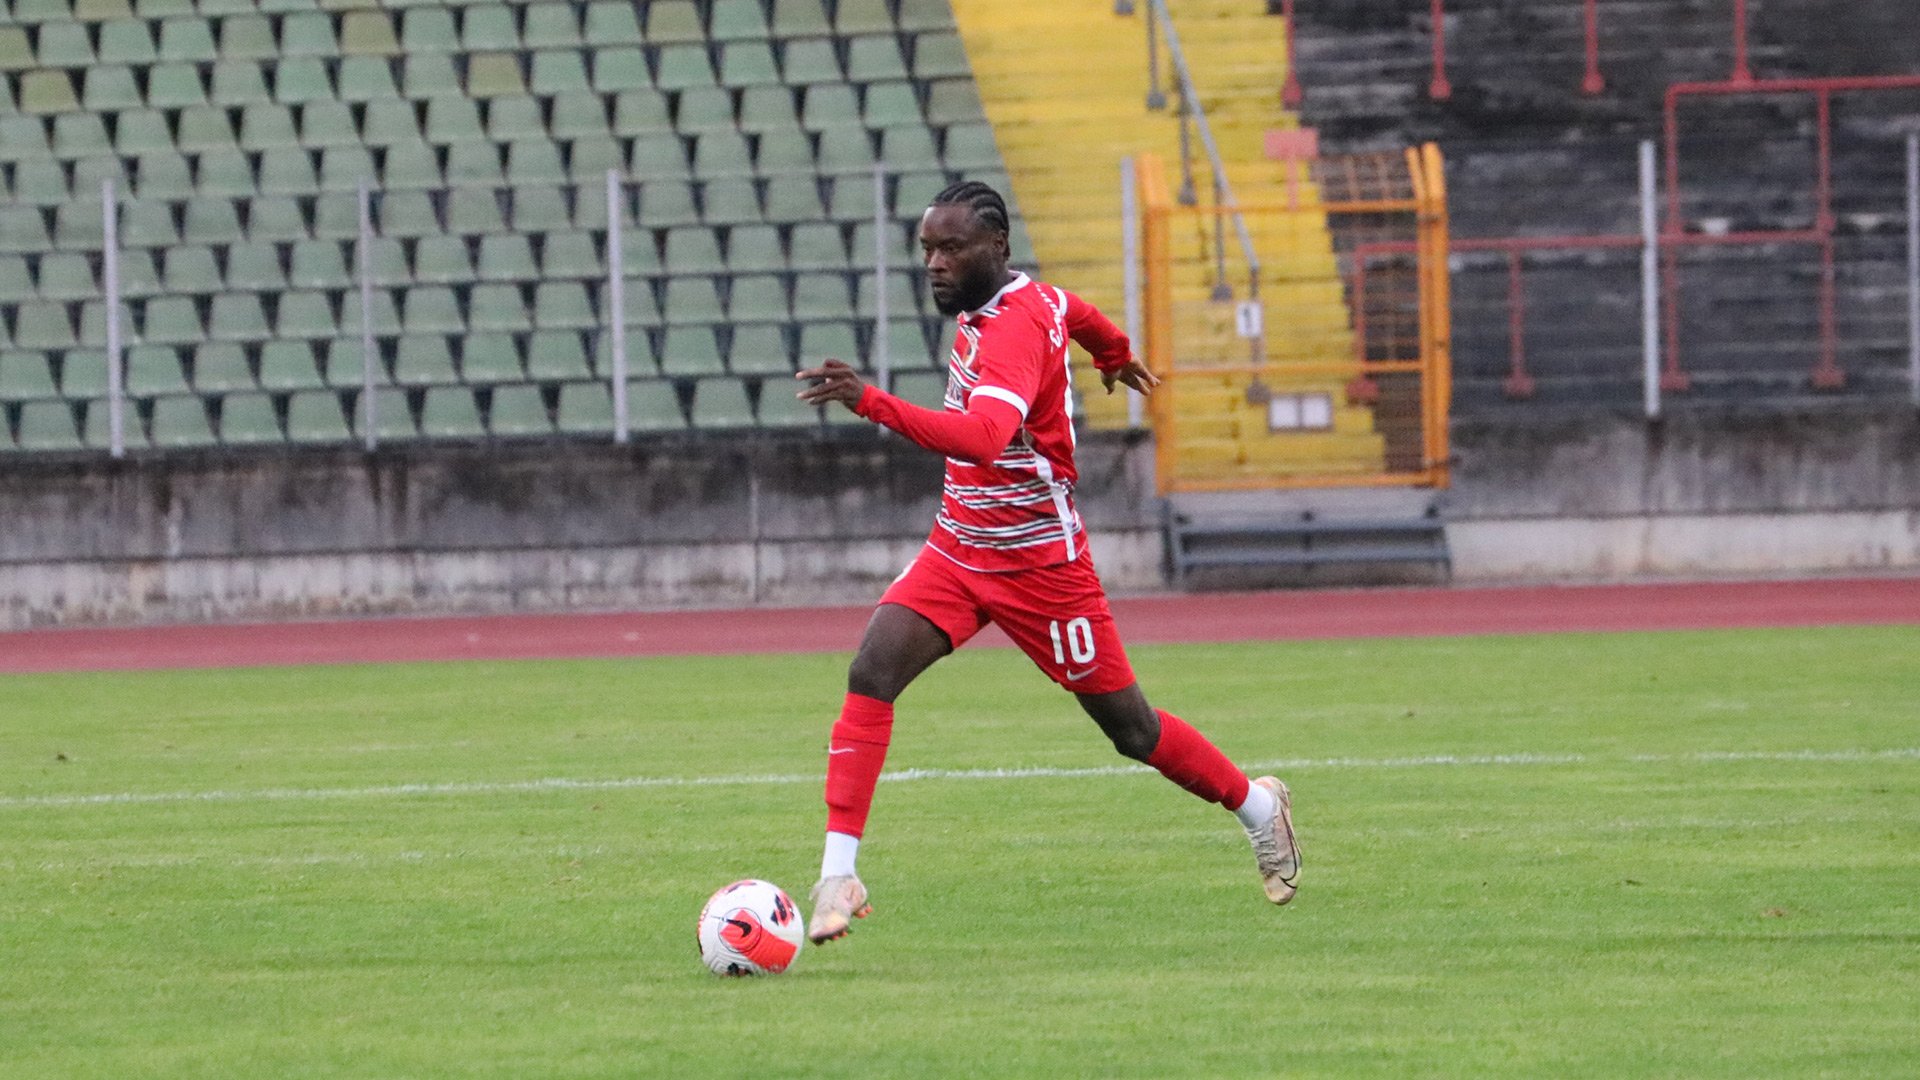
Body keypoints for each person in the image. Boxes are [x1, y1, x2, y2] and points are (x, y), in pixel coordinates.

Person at [793, 181, 1299, 946]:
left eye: (951, 248)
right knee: (872, 670)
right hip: (961, 546)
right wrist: (1116, 355)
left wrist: (871, 400)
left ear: (995, 247)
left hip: (1041, 566)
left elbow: (983, 438)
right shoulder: (1026, 301)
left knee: (1132, 731)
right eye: (928, 247)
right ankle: (838, 874)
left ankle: (1259, 808)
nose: (934, 263)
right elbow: (1079, 312)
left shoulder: (1013, 332)